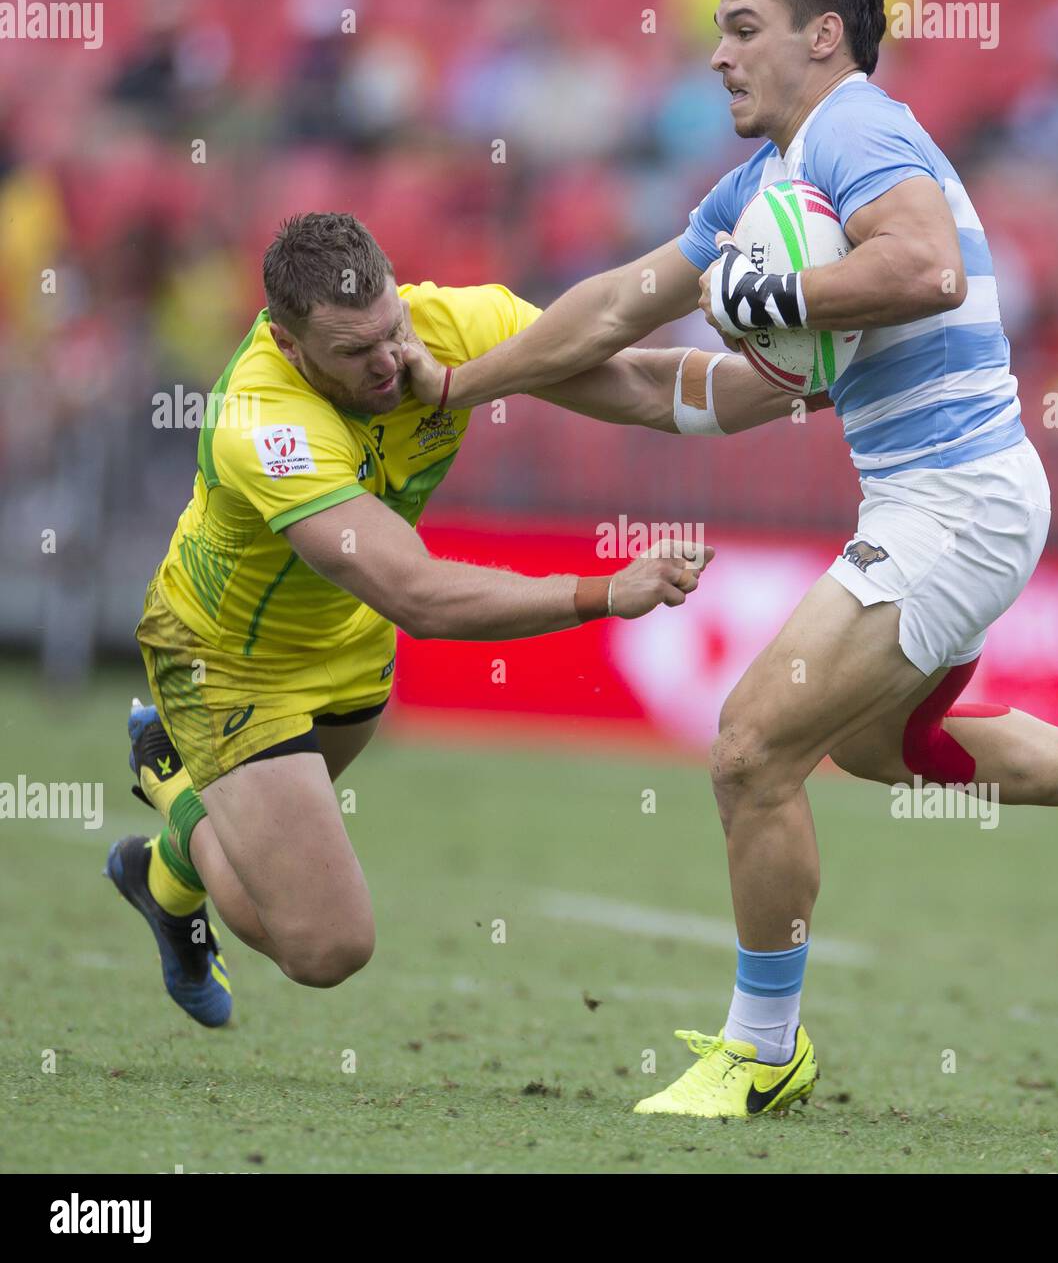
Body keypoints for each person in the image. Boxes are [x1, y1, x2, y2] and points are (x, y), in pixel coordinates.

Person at [413, 0, 1058, 1119]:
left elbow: (922, 270)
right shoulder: (765, 186)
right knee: (880, 751)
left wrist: (779, 296)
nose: (716, 55)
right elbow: (625, 322)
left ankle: (764, 1053)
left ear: (824, 37)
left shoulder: (857, 126)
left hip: (954, 504)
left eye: (743, 27)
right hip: (950, 498)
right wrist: (468, 378)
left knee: (751, 749)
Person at [110, 210, 808, 1026]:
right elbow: (418, 595)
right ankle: (176, 785)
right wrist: (602, 592)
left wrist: (805, 388)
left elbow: (642, 383)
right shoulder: (265, 422)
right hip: (226, 657)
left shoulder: (452, 324)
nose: (386, 364)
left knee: (261, 841)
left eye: (389, 331)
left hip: (348, 633)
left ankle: (158, 875)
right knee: (327, 946)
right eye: (352, 352)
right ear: (291, 347)